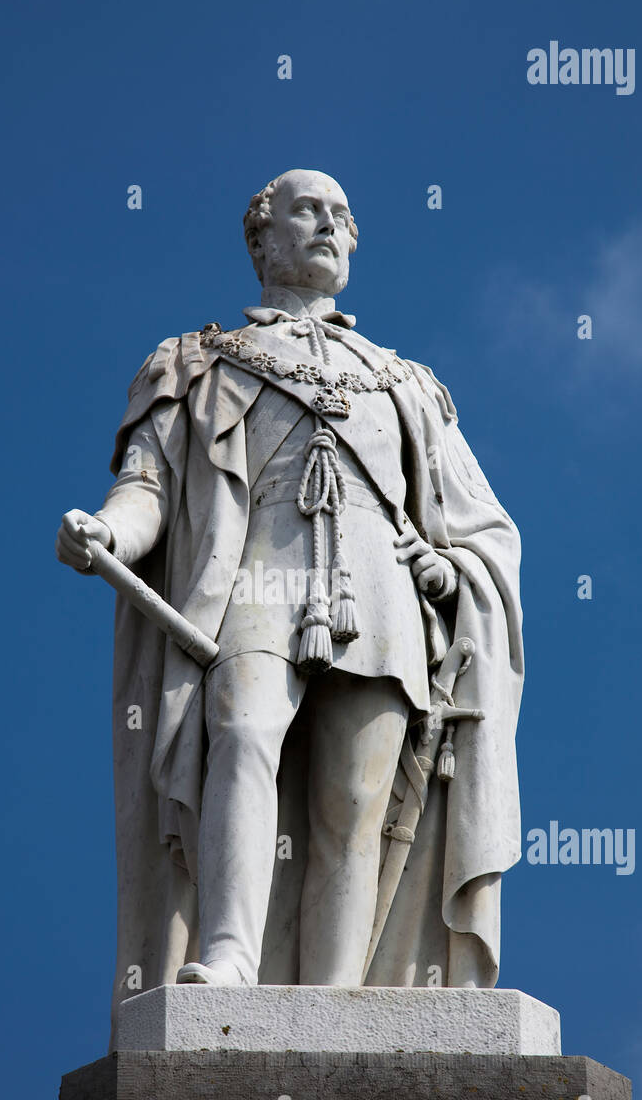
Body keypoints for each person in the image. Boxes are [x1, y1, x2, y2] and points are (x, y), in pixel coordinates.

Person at [56, 169, 524, 1046]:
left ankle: (336, 997)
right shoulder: (194, 362)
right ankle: (230, 952)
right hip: (252, 582)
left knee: (355, 796)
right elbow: (147, 487)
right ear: (262, 239)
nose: (333, 225)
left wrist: (451, 567)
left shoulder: (406, 384)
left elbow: (484, 525)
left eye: (345, 215)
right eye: (310, 209)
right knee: (239, 728)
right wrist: (110, 536)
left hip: (381, 593)